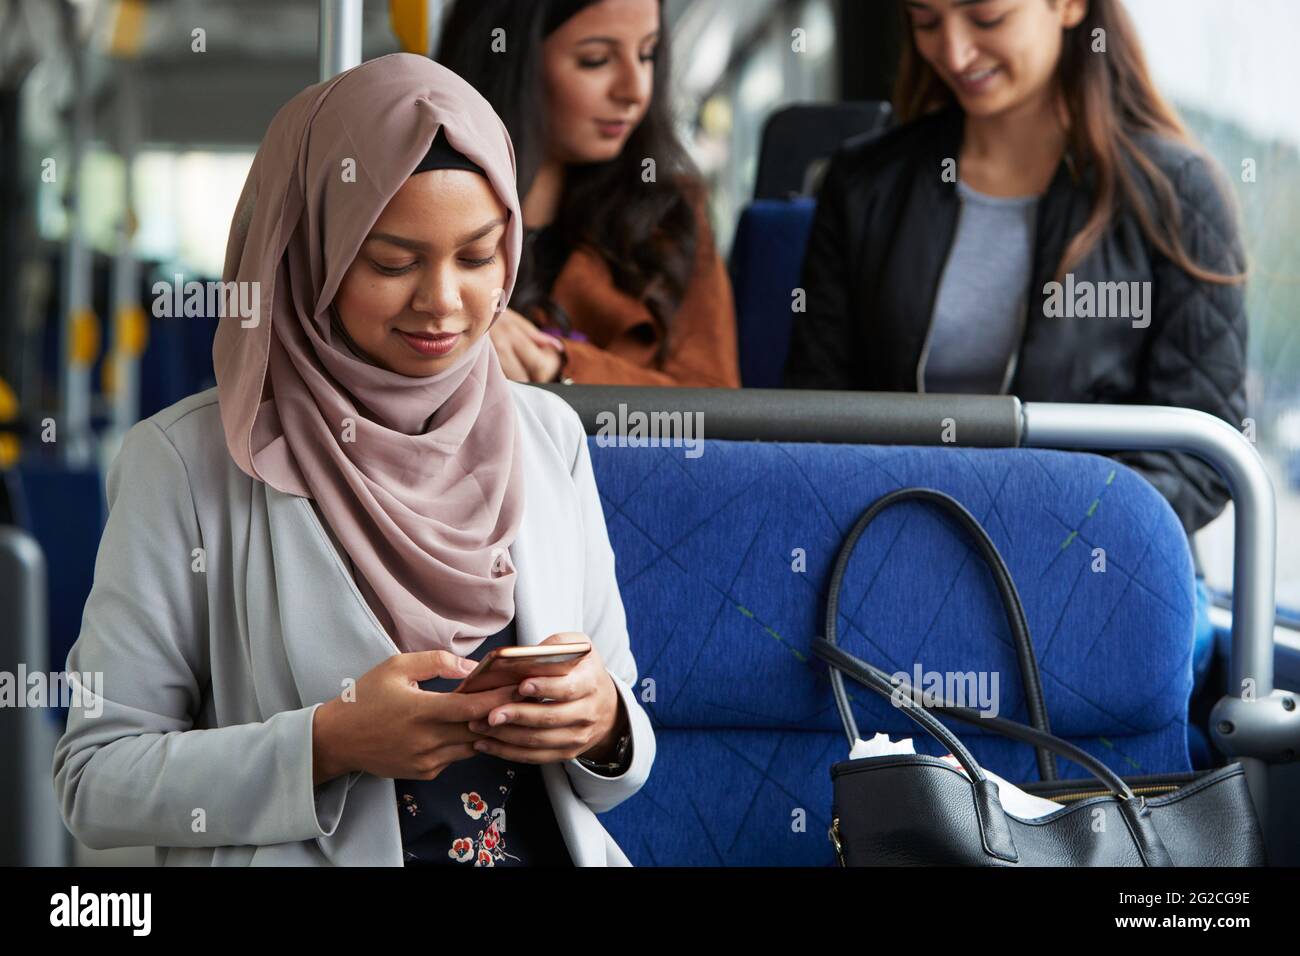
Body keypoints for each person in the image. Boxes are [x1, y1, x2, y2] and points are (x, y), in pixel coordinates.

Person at [52, 53, 654, 867]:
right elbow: (96, 782)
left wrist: (604, 724)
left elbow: (618, 749)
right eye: (393, 263)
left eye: (478, 258)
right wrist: (326, 744)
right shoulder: (187, 465)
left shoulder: (547, 436)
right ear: (312, 256)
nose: (443, 302)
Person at [783, 0, 1248, 538]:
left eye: (987, 18)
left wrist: (1041, 529)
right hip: (894, 547)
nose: (953, 52)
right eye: (926, 21)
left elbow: (1200, 454)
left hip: (1095, 564)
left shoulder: (1176, 196)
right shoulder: (862, 184)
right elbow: (812, 417)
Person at [436, 0, 741, 387]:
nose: (635, 90)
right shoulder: (419, 209)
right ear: (511, 62)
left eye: (647, 54)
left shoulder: (670, 218)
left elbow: (718, 419)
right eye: (595, 60)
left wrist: (554, 364)